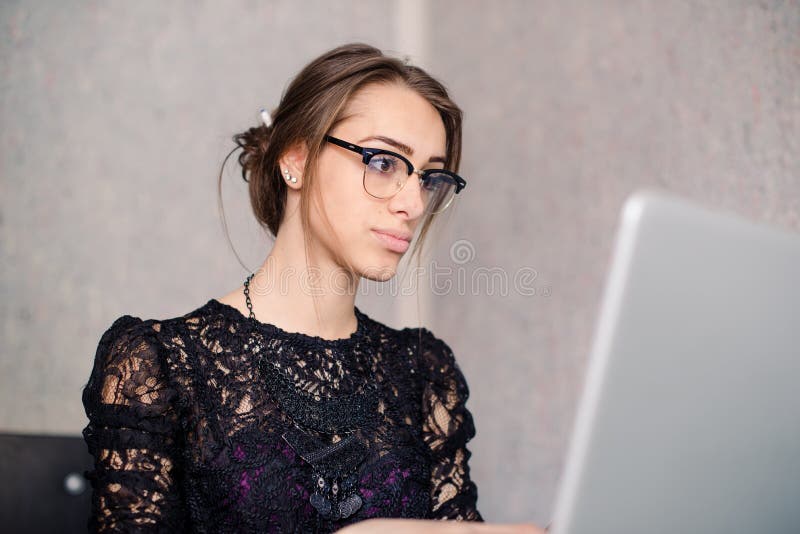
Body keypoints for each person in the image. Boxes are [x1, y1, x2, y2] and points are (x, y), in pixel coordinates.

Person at [81, 43, 545, 534]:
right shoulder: (159, 362)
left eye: (429, 178)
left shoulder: (424, 371)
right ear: (296, 160)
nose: (412, 202)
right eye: (384, 162)